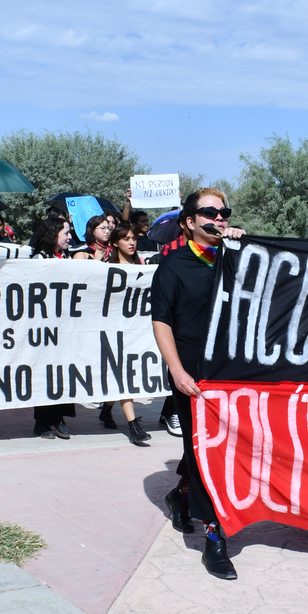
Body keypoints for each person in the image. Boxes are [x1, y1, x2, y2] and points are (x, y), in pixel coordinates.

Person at [151, 188, 245, 580]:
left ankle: (181, 494)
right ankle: (214, 541)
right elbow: (161, 321)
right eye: (209, 212)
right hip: (191, 375)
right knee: (207, 452)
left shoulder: (238, 259)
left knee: (221, 448)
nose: (219, 218)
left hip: (232, 374)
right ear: (189, 222)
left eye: (224, 212)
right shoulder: (172, 266)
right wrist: (177, 371)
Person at [97, 223, 154, 445]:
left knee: (125, 374)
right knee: (124, 376)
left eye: (134, 238)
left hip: (137, 330)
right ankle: (133, 426)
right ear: (114, 243)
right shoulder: (105, 268)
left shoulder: (143, 266)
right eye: (126, 239)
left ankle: (107, 408)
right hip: (114, 330)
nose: (131, 242)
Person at [28, 214, 76, 438]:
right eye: (65, 233)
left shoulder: (67, 257)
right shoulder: (39, 259)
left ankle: (60, 417)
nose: (69, 237)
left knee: (63, 373)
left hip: (66, 327)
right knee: (45, 373)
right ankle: (43, 421)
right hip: (45, 328)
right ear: (52, 234)